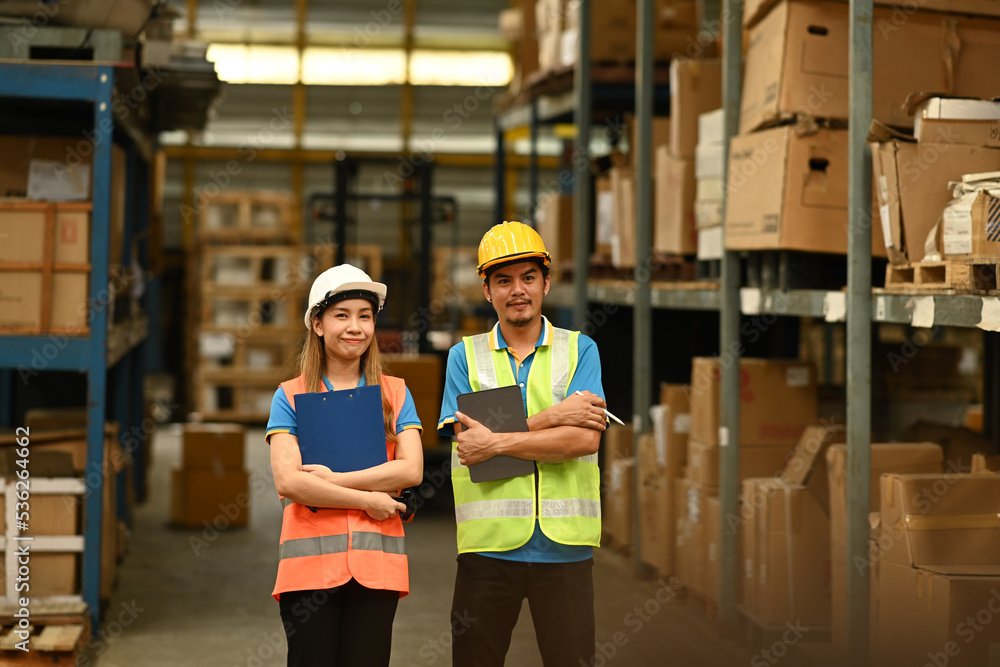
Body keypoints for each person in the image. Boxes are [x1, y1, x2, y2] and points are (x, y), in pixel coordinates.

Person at [437, 221, 609, 667]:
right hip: (488, 549)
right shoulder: (464, 357)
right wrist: (555, 416)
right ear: (487, 290)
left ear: (546, 283)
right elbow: (470, 446)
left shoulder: (580, 350)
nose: (518, 290)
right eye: (503, 280)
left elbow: (583, 439)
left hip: (565, 548)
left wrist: (498, 442)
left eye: (528, 277)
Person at [266, 264, 424, 667]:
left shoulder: (395, 393)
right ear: (317, 324)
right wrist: (369, 499)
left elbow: (411, 471)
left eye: (365, 316)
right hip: (308, 574)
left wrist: (337, 482)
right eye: (342, 315)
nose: (355, 327)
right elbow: (290, 482)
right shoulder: (290, 396)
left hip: (377, 570)